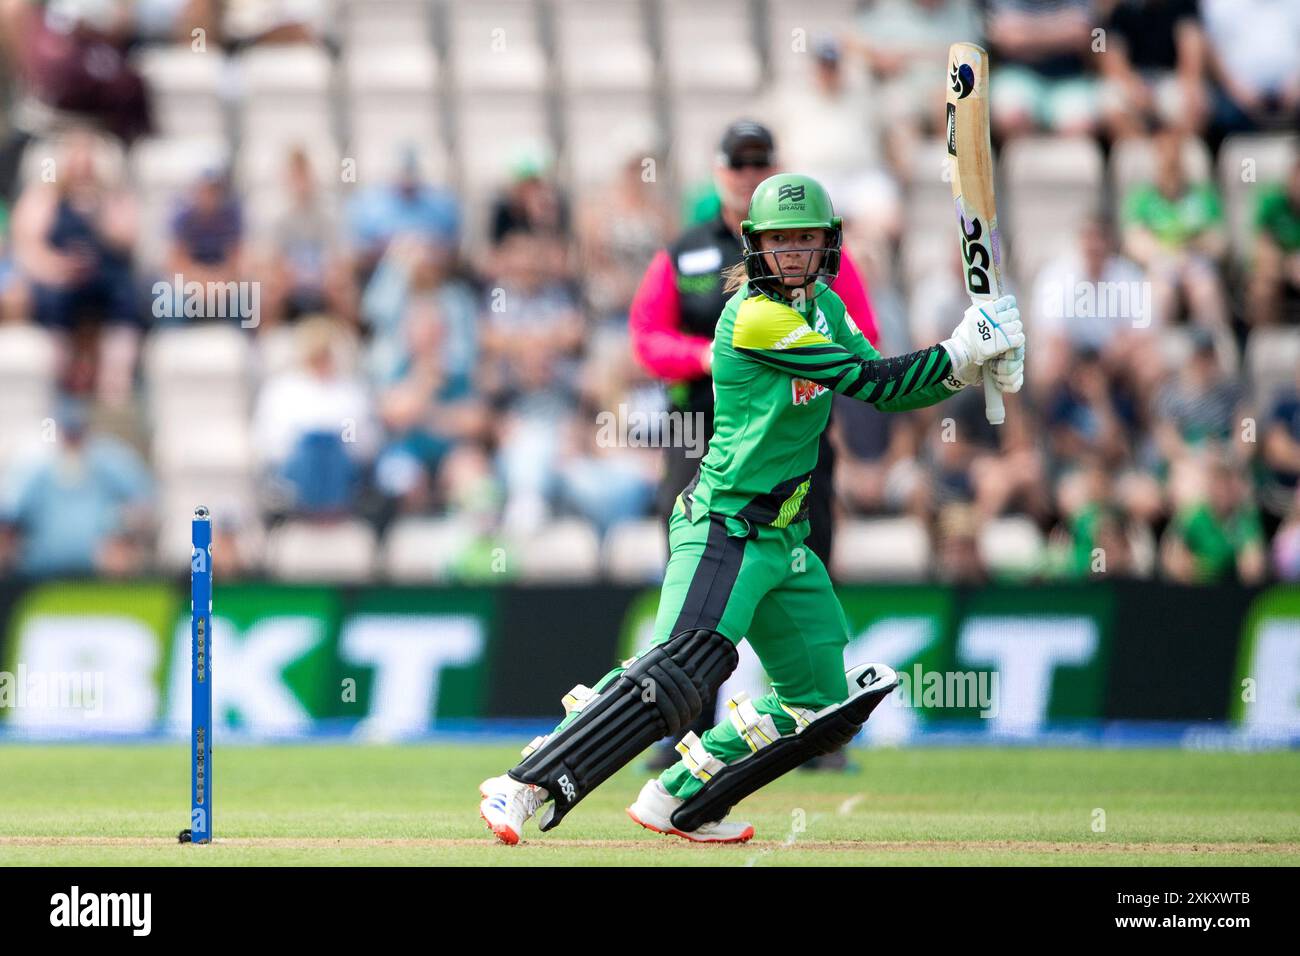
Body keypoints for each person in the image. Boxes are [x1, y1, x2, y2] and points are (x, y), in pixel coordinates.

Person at [478, 173, 1025, 844]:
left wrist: (971, 364)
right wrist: (962, 348)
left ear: (828, 245)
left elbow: (885, 391)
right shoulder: (755, 316)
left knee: (821, 702)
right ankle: (525, 782)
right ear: (755, 247)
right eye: (779, 241)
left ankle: (681, 797)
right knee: (678, 671)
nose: (792, 252)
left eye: (805, 239)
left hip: (785, 543)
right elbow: (866, 382)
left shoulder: (825, 308)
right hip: (725, 528)